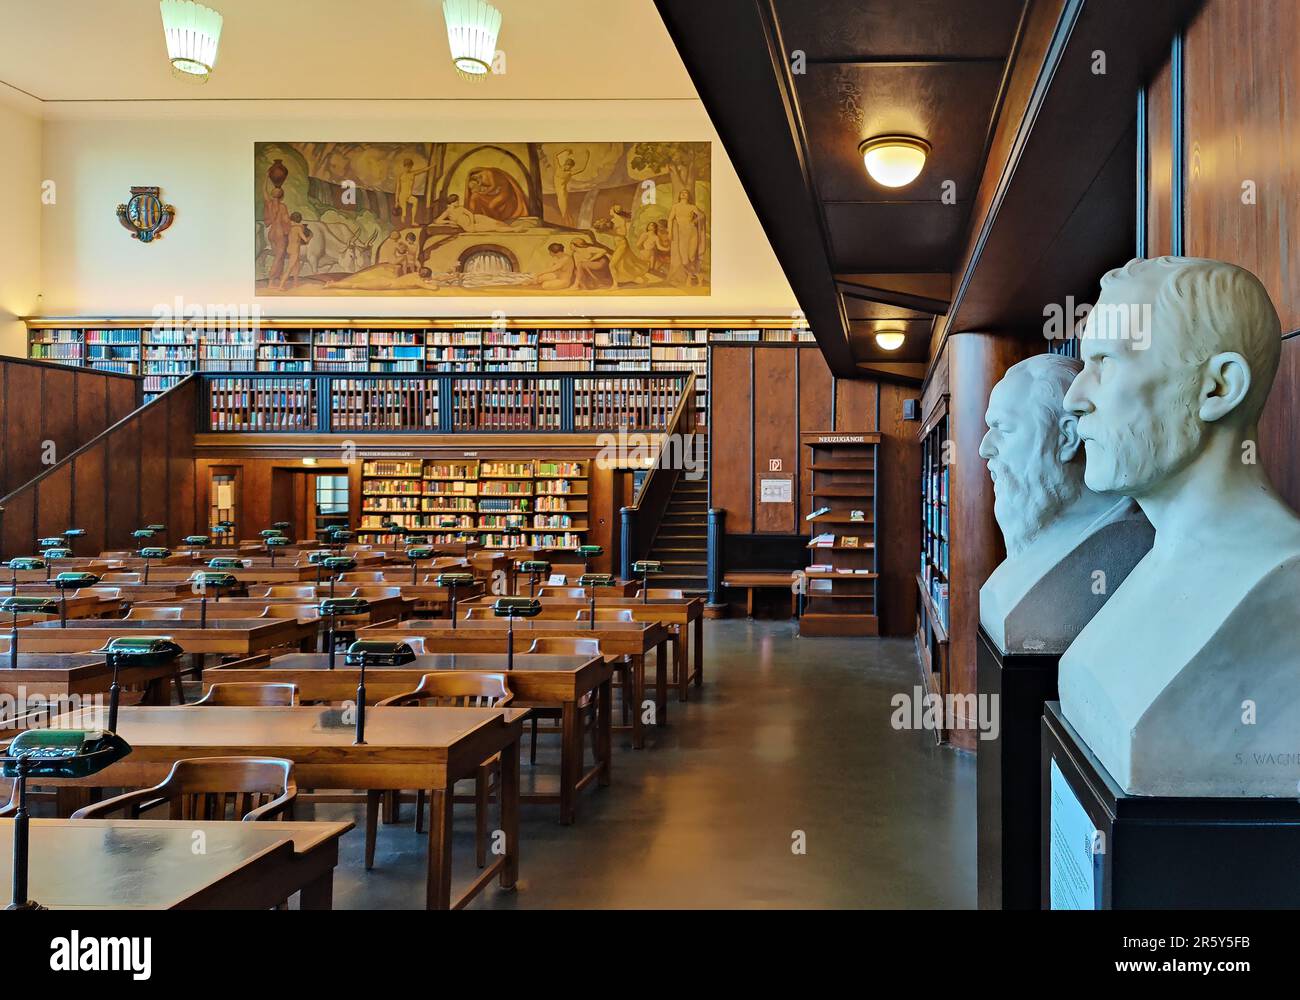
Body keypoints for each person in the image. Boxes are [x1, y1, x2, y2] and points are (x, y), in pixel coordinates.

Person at [1058, 256, 1300, 796]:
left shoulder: (1285, 584)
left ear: (1217, 389)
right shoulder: (1159, 564)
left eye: (1105, 363)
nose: (1075, 398)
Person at [977, 354, 1152, 654]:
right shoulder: (1034, 546)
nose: (984, 448)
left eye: (1003, 429)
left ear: (1068, 437)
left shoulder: (1128, 540)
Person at [668, 189, 705, 287]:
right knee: (685, 260)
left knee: (692, 257)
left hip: (692, 232)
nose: (684, 194)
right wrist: (670, 232)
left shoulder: (692, 207)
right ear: (679, 195)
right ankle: (698, 275)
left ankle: (689, 279)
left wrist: (694, 222)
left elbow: (701, 215)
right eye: (682, 193)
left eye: (686, 193)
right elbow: (670, 220)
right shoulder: (675, 207)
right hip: (682, 233)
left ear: (688, 196)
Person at [606, 206, 649, 286]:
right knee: (626, 264)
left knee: (612, 265)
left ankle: (615, 285)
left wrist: (612, 233)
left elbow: (624, 233)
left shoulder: (621, 220)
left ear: (614, 211)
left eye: (610, 209)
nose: (609, 211)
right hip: (617, 244)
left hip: (622, 244)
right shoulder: (612, 220)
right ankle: (645, 279)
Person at [552, 148, 589, 226]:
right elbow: (555, 156)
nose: (569, 168)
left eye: (571, 167)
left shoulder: (569, 173)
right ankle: (570, 224)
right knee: (564, 210)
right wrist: (566, 150)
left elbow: (582, 169)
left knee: (564, 211)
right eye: (569, 166)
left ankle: (568, 225)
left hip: (562, 193)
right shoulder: (558, 168)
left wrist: (587, 157)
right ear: (565, 164)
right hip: (559, 193)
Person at [276, 212, 311, 291]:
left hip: (289, 248)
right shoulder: (298, 228)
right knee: (290, 268)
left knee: (296, 266)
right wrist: (311, 236)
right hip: (295, 249)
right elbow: (305, 240)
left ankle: (295, 283)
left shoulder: (291, 227)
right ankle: (281, 286)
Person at [263, 184, 291, 282]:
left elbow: (264, 191)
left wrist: (266, 177)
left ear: (272, 194)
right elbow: (286, 220)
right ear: (282, 196)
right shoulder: (283, 206)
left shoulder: (269, 204)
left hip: (271, 233)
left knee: (279, 256)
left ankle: (279, 276)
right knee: (278, 258)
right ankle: (271, 281)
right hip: (279, 233)